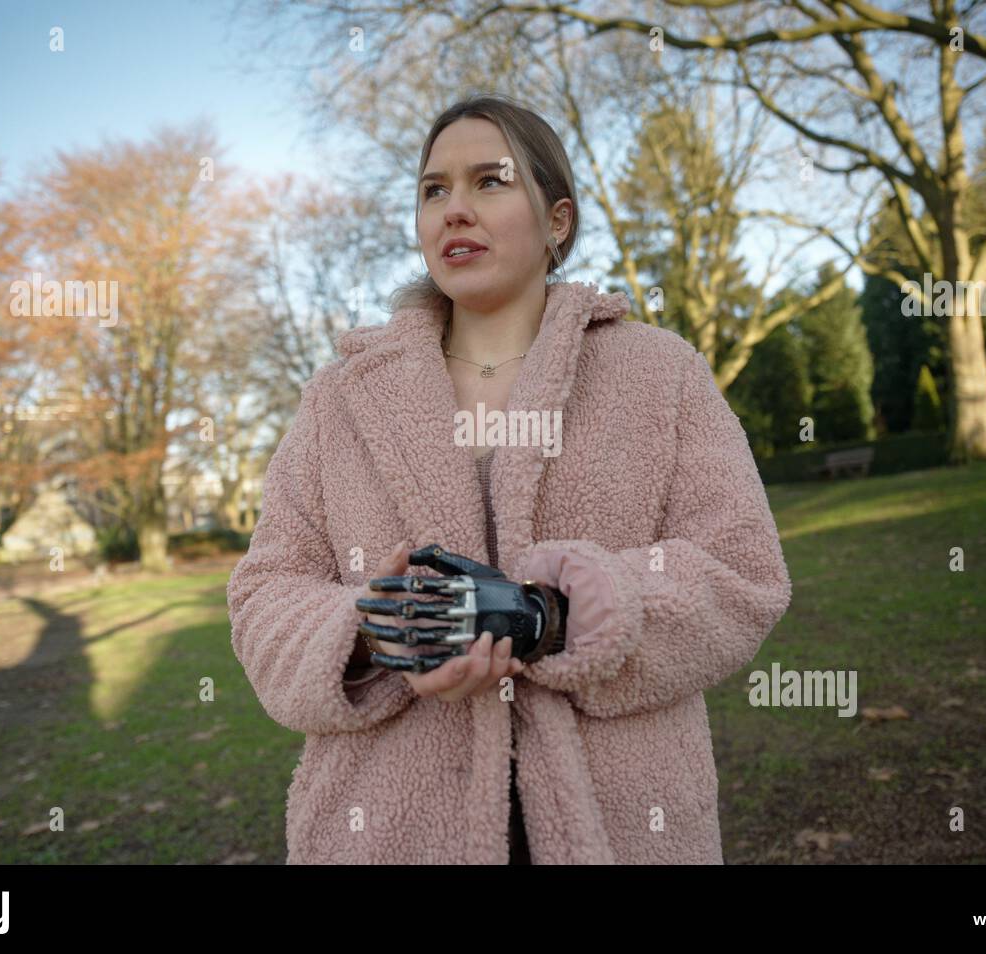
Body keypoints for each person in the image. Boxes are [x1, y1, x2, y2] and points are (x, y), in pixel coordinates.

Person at [226, 93, 792, 864]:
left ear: (558, 220)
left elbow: (741, 573)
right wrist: (380, 630)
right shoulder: (340, 397)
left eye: (489, 181)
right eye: (433, 190)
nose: (454, 209)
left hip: (623, 821)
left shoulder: (659, 372)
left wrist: (551, 618)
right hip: (383, 832)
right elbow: (266, 594)